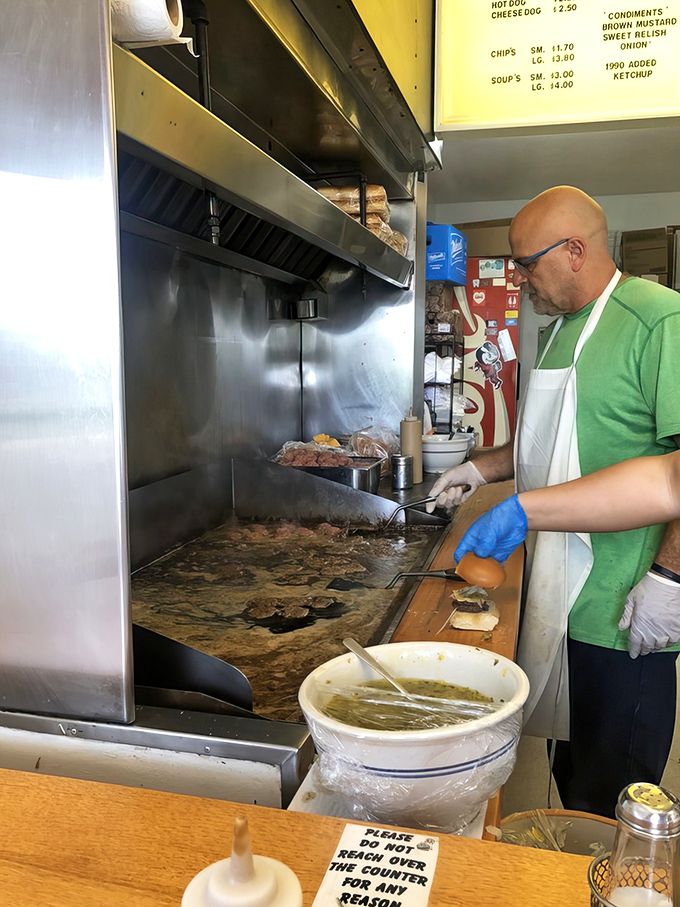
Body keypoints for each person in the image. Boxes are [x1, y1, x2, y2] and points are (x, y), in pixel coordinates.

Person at [427, 186, 680, 818]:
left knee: (613, 796)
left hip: (625, 614)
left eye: (525, 264)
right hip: (556, 601)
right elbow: (548, 440)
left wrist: (670, 577)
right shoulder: (562, 330)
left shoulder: (659, 321)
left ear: (574, 250)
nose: (516, 281)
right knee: (573, 777)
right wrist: (476, 468)